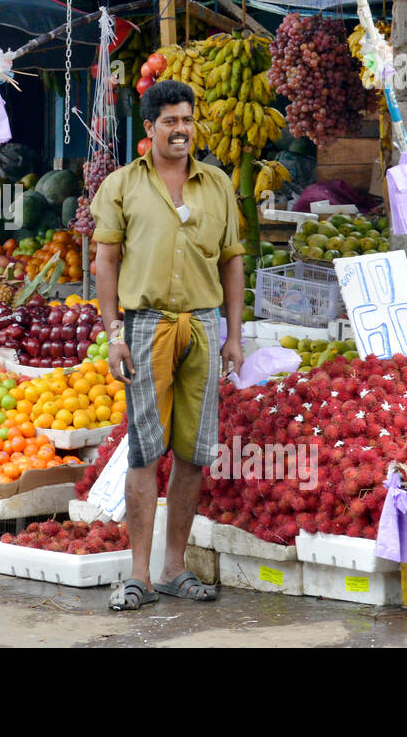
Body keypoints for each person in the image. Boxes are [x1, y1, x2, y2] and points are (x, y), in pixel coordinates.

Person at [92, 79, 245, 611]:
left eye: (187, 120)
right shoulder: (120, 186)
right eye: (170, 121)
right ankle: (139, 575)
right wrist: (114, 336)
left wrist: (234, 335)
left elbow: (232, 260)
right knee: (143, 451)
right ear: (150, 128)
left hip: (202, 326)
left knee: (193, 454)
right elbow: (105, 266)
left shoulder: (217, 185)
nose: (181, 130)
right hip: (145, 325)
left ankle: (175, 568)